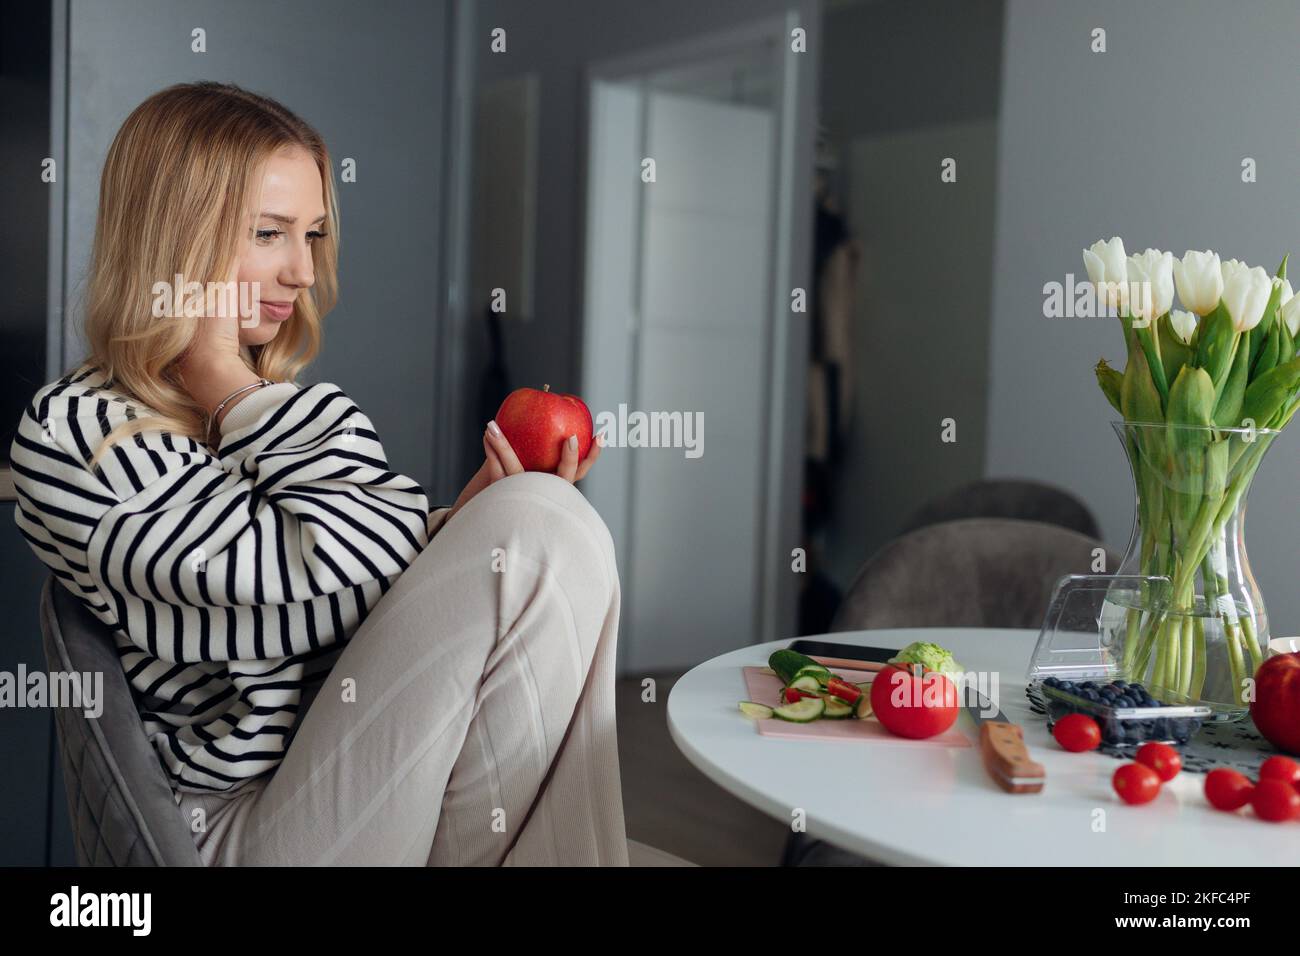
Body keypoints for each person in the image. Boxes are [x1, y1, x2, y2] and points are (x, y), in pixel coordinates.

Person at [10, 81, 628, 866]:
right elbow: (311, 583)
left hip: (357, 780)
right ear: (174, 239)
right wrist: (227, 378)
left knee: (543, 518)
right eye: (270, 233)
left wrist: (458, 528)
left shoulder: (261, 412)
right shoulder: (75, 434)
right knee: (536, 531)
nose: (304, 272)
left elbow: (341, 578)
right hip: (242, 825)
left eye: (313, 235)